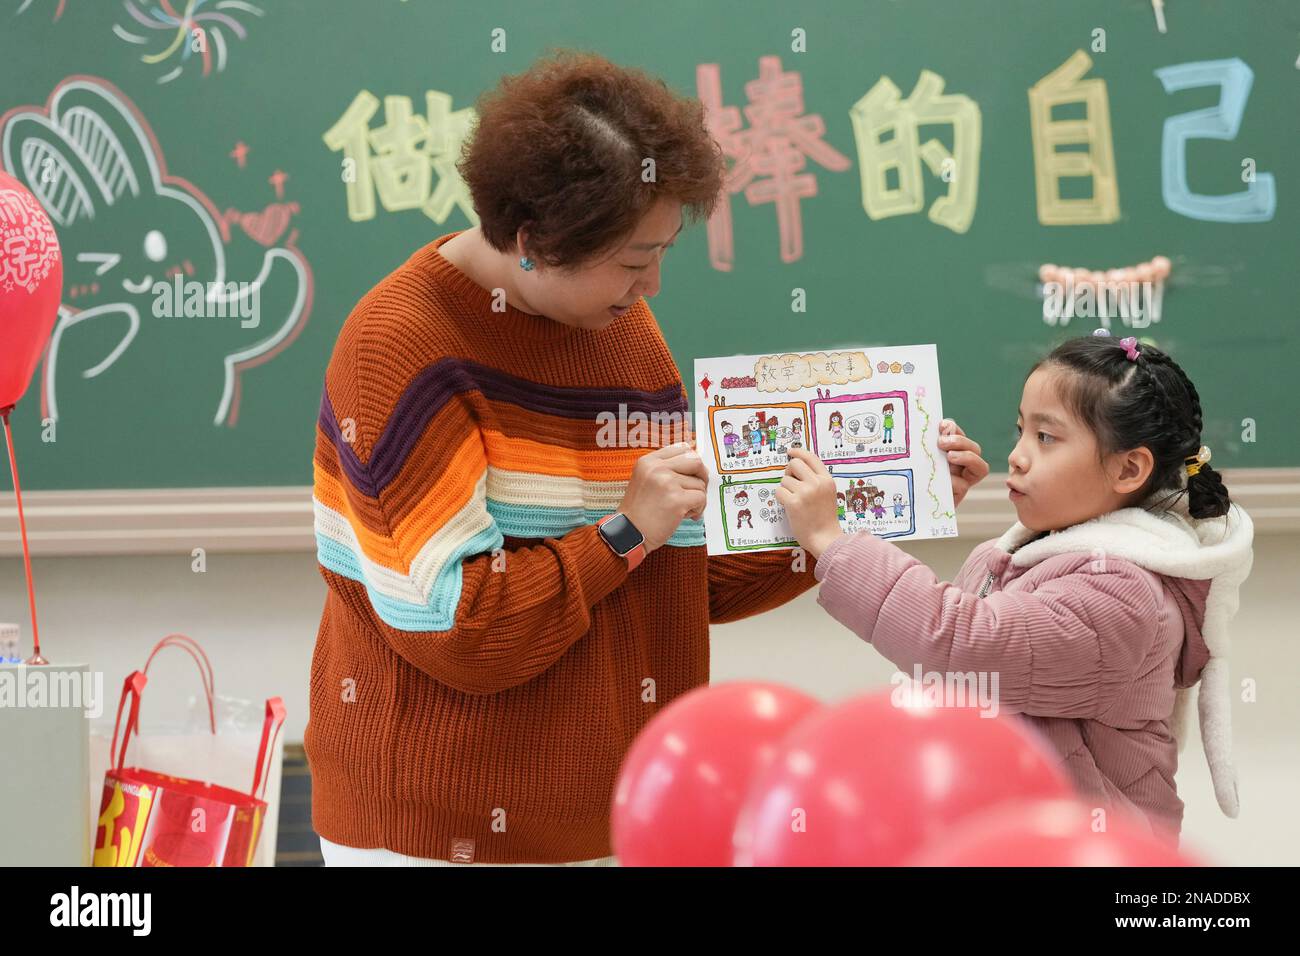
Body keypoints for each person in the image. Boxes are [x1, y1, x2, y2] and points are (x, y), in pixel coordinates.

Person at [777, 332, 1253, 841]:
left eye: (1046, 438)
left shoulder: (1124, 596)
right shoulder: (1014, 558)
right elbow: (953, 666)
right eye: (1020, 429)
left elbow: (963, 644)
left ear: (1128, 468)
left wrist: (831, 539)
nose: (1018, 456)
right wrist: (922, 500)